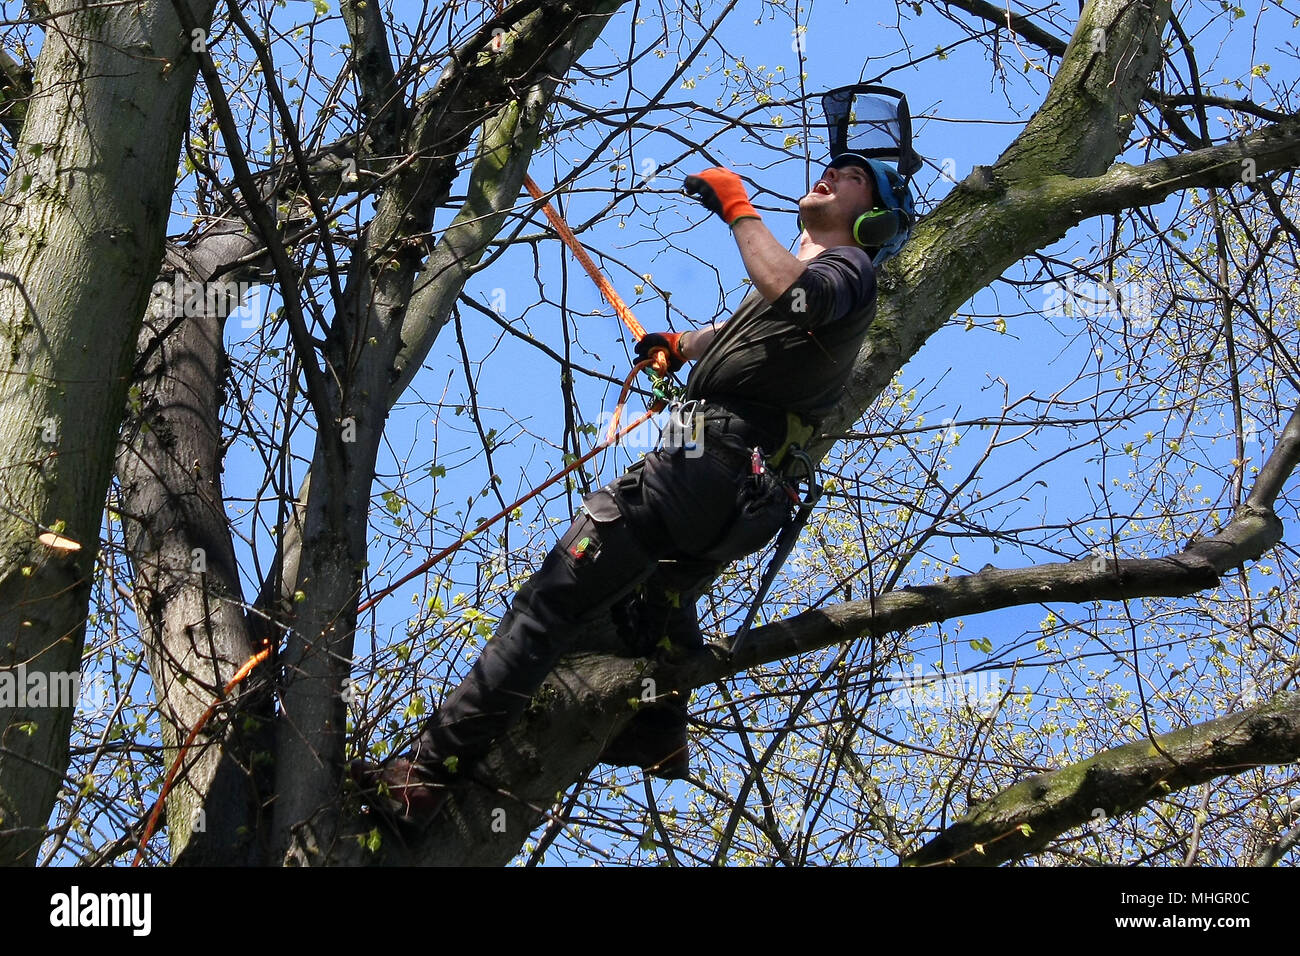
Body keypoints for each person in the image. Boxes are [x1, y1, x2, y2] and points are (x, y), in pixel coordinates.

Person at [352, 152, 912, 824]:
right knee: (654, 603)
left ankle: (423, 777)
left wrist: (737, 207)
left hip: (706, 466)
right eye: (834, 166)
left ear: (875, 218)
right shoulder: (813, 283)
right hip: (732, 494)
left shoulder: (846, 271)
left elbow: (792, 293)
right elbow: (745, 326)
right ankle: (658, 725)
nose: (830, 173)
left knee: (549, 606)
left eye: (852, 178)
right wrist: (680, 344)